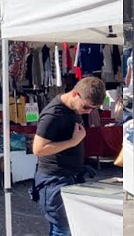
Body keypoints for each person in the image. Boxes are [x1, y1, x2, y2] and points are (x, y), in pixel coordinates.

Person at [32, 77, 106, 236]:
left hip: (68, 177)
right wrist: (73, 142)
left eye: (93, 109)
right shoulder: (52, 114)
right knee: (63, 229)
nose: (88, 111)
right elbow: (38, 149)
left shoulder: (73, 108)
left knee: (70, 227)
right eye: (86, 107)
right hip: (54, 180)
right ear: (74, 94)